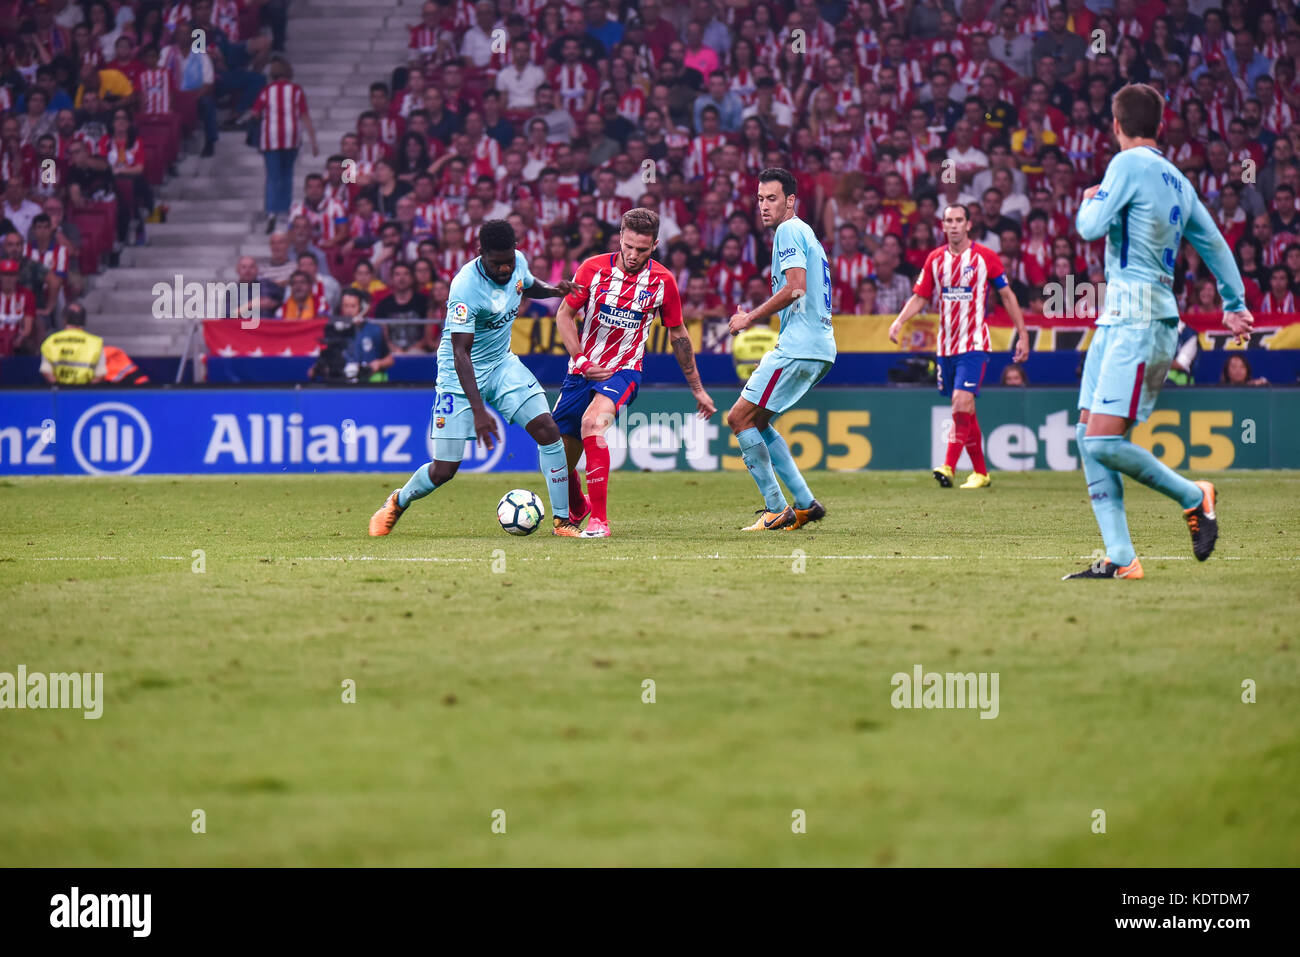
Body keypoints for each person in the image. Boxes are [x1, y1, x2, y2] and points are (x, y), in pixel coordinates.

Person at [1065, 83, 1252, 581]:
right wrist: (1234, 305)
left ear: (1116, 125)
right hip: (1120, 318)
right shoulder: (1177, 180)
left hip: (1139, 319)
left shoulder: (1125, 166)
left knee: (1103, 442)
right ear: (1162, 126)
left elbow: (1089, 227)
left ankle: (1195, 496)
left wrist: (1088, 200)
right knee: (1088, 436)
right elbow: (1213, 244)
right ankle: (1122, 558)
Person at [369, 220, 584, 538]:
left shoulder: (516, 262)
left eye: (508, 260)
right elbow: (461, 354)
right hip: (459, 376)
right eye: (496, 262)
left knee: (548, 430)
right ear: (480, 252)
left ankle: (563, 521)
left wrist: (554, 291)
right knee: (444, 469)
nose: (504, 268)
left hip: (501, 365)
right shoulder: (465, 288)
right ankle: (398, 502)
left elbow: (526, 284)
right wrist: (479, 411)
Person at [553, 208, 716, 538]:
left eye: (642, 249)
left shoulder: (663, 282)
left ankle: (599, 521)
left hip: (624, 371)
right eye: (628, 246)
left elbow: (679, 335)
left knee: (593, 422)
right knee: (557, 457)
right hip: (581, 371)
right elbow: (564, 316)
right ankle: (577, 507)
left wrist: (697, 388)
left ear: (654, 245)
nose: (633, 254)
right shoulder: (591, 269)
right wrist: (581, 359)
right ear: (620, 237)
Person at [889, 203, 1030, 489]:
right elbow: (920, 297)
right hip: (946, 348)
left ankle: (949, 466)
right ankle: (981, 472)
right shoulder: (935, 259)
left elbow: (1007, 296)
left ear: (968, 224)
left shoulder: (985, 257)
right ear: (942, 226)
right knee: (966, 410)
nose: (953, 225)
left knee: (961, 402)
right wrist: (899, 321)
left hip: (974, 344)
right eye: (948, 220)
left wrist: (1023, 334)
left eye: (958, 220)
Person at [724, 168, 835, 532]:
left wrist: (750, 318)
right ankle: (804, 504)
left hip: (798, 346)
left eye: (771, 198)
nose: (764, 206)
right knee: (758, 421)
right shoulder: (809, 236)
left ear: (790, 201)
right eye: (759, 199)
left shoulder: (789, 229)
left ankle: (775, 508)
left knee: (738, 418)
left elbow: (796, 287)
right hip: (819, 346)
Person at [251, 58, 318, 234]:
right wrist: (313, 140)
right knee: (287, 174)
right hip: (291, 137)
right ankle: (285, 209)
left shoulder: (266, 91)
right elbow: (304, 115)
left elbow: (255, 113)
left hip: (270, 138)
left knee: (273, 176)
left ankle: (271, 211)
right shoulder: (296, 90)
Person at [39, 303, 105, 383]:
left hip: (60, 392)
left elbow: (46, 370)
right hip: (86, 392)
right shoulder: (96, 343)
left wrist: (61, 388)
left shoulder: (51, 341)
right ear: (84, 320)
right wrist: (86, 390)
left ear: (65, 319)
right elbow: (101, 373)